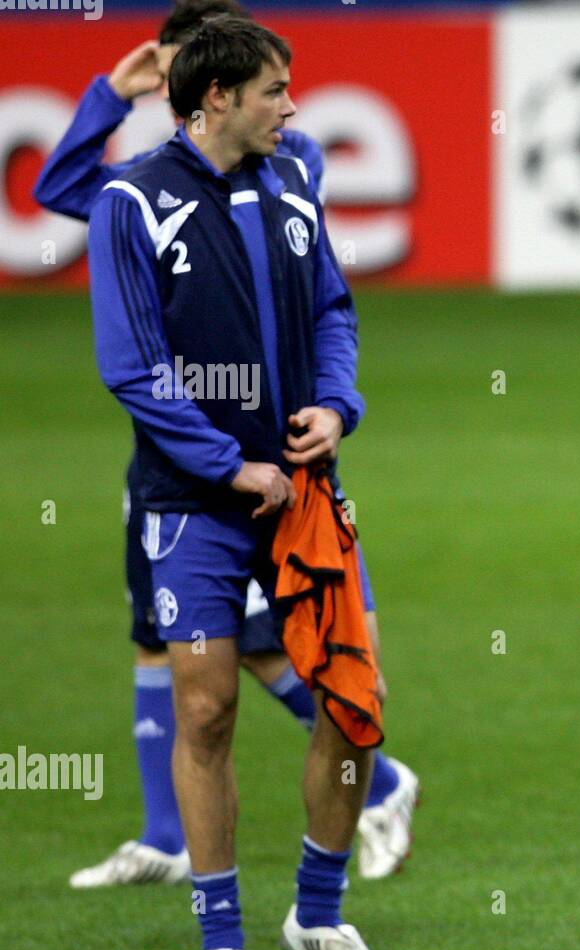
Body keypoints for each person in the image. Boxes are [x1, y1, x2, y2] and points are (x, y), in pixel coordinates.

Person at [34, 0, 418, 888]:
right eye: (275, 89)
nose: (287, 107)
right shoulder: (152, 186)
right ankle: (169, 837)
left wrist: (332, 403)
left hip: (268, 459)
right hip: (172, 455)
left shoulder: (284, 164)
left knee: (267, 648)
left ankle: (379, 792)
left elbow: (322, 299)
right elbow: (63, 195)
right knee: (163, 646)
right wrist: (106, 97)